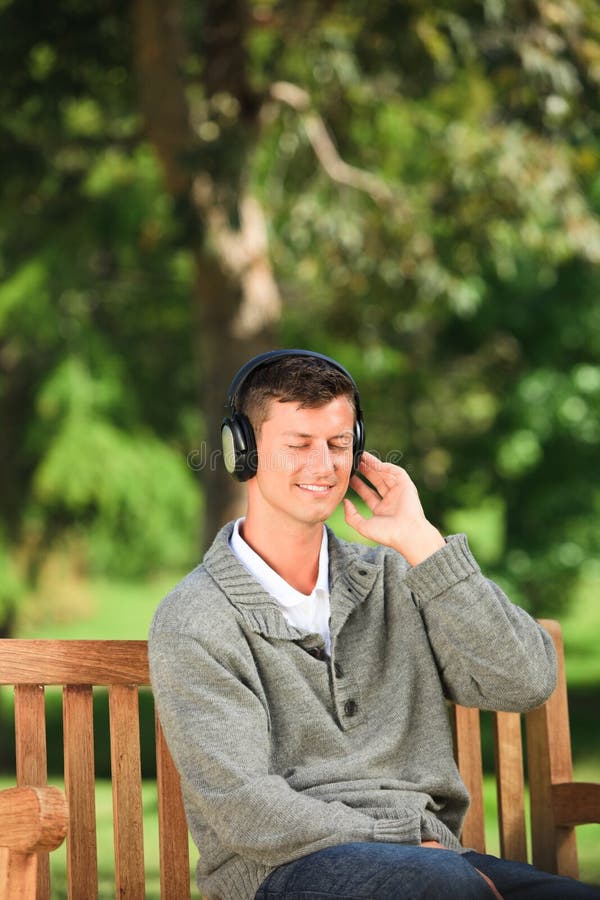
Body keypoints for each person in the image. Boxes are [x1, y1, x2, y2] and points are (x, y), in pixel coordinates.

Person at [149, 349, 599, 900]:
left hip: (435, 867)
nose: (324, 465)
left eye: (339, 444)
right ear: (243, 451)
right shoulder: (197, 616)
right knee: (441, 885)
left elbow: (526, 681)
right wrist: (399, 841)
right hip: (284, 872)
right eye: (299, 445)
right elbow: (245, 808)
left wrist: (421, 542)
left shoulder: (397, 579)